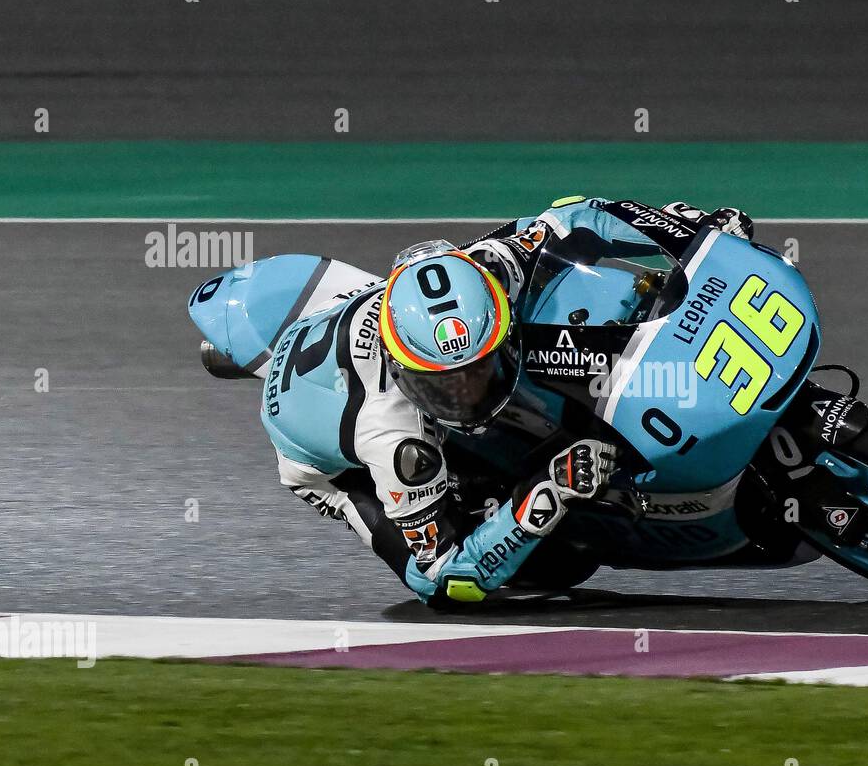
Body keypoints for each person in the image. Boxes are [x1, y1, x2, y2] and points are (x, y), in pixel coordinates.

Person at [262, 196, 753, 606]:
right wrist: (545, 493)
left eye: (480, 371)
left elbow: (575, 218)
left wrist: (688, 232)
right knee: (515, 562)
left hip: (355, 319)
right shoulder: (394, 440)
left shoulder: (490, 268)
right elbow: (442, 581)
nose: (466, 394)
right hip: (326, 461)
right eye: (445, 385)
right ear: (403, 369)